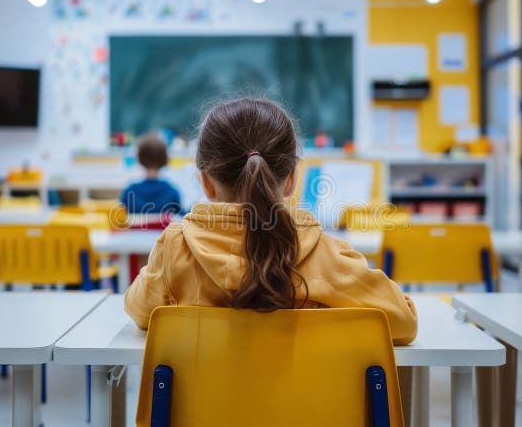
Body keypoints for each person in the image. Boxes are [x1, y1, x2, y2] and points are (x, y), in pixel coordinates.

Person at [124, 98, 417, 344]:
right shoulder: (328, 256)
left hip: (204, 414)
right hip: (309, 413)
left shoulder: (174, 250)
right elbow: (404, 324)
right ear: (291, 179)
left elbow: (138, 312)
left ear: (206, 182)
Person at [119, 133, 182, 215]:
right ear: (165, 159)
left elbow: (121, 219)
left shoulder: (129, 192)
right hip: (164, 228)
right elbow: (180, 219)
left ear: (139, 159)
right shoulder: (172, 192)